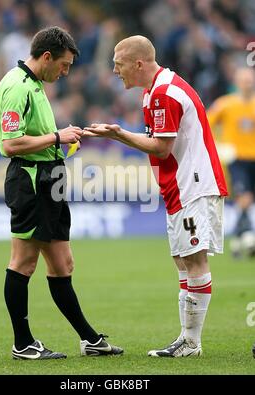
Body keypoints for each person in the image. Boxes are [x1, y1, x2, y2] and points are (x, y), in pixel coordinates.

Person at [85, 35, 228, 357]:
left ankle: (192, 343)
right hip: (181, 185)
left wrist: (118, 133)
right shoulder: (156, 90)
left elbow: (162, 147)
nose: (114, 70)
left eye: (118, 64)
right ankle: (187, 339)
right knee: (182, 259)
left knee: (194, 259)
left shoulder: (164, 93)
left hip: (192, 185)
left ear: (138, 63)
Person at [0, 26, 123, 360]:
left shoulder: (34, 85)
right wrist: (56, 138)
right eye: (63, 65)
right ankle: (22, 343)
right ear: (47, 57)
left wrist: (63, 138)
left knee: (63, 264)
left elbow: (37, 137)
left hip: (50, 180)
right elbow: (10, 144)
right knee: (23, 263)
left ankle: (90, 340)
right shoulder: (16, 87)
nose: (65, 73)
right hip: (32, 181)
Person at [207, 67, 255, 259]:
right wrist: (218, 145)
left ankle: (237, 240)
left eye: (250, 79)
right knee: (244, 197)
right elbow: (206, 124)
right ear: (237, 83)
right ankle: (249, 236)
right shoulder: (225, 104)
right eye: (244, 80)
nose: (248, 83)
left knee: (247, 200)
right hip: (236, 159)